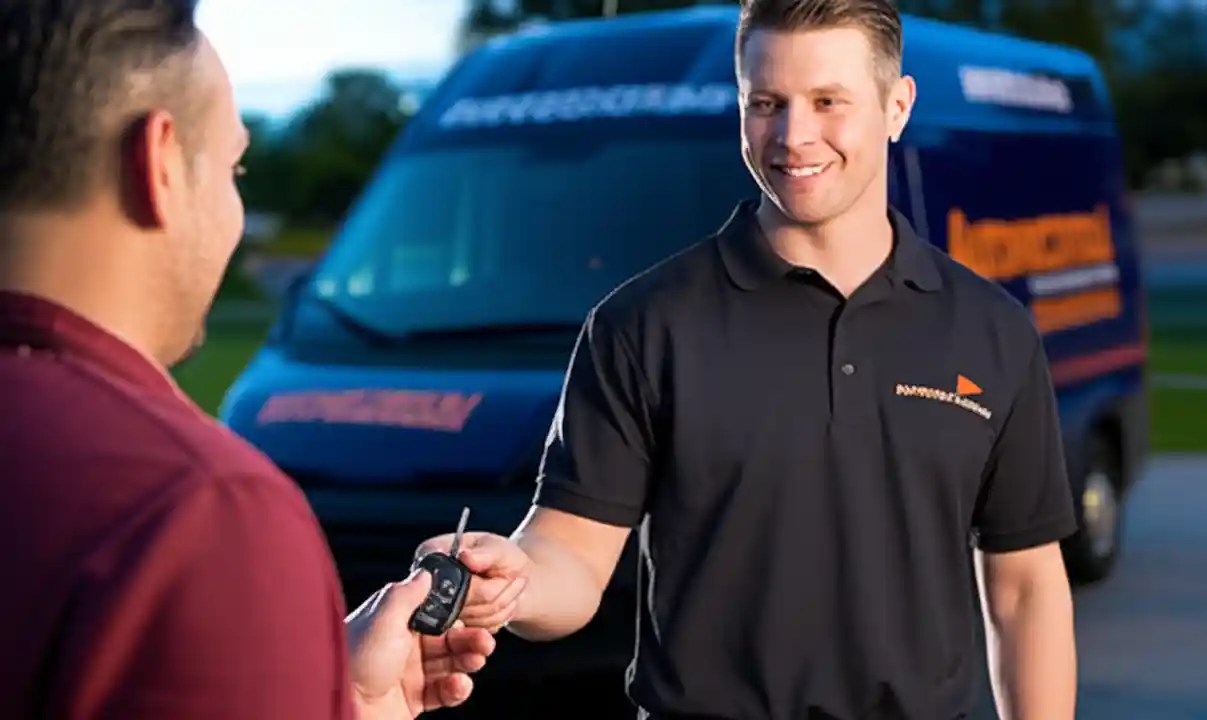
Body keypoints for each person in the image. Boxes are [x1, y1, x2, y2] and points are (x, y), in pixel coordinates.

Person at [414, 0, 1079, 718]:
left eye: (828, 101)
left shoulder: (990, 331)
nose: (794, 137)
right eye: (767, 102)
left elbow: (1024, 589)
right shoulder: (643, 324)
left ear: (896, 106)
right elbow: (571, 555)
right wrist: (514, 581)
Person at [0, 1, 494, 718]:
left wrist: (338, 699)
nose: (234, 205)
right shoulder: (197, 512)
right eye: (234, 167)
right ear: (160, 161)